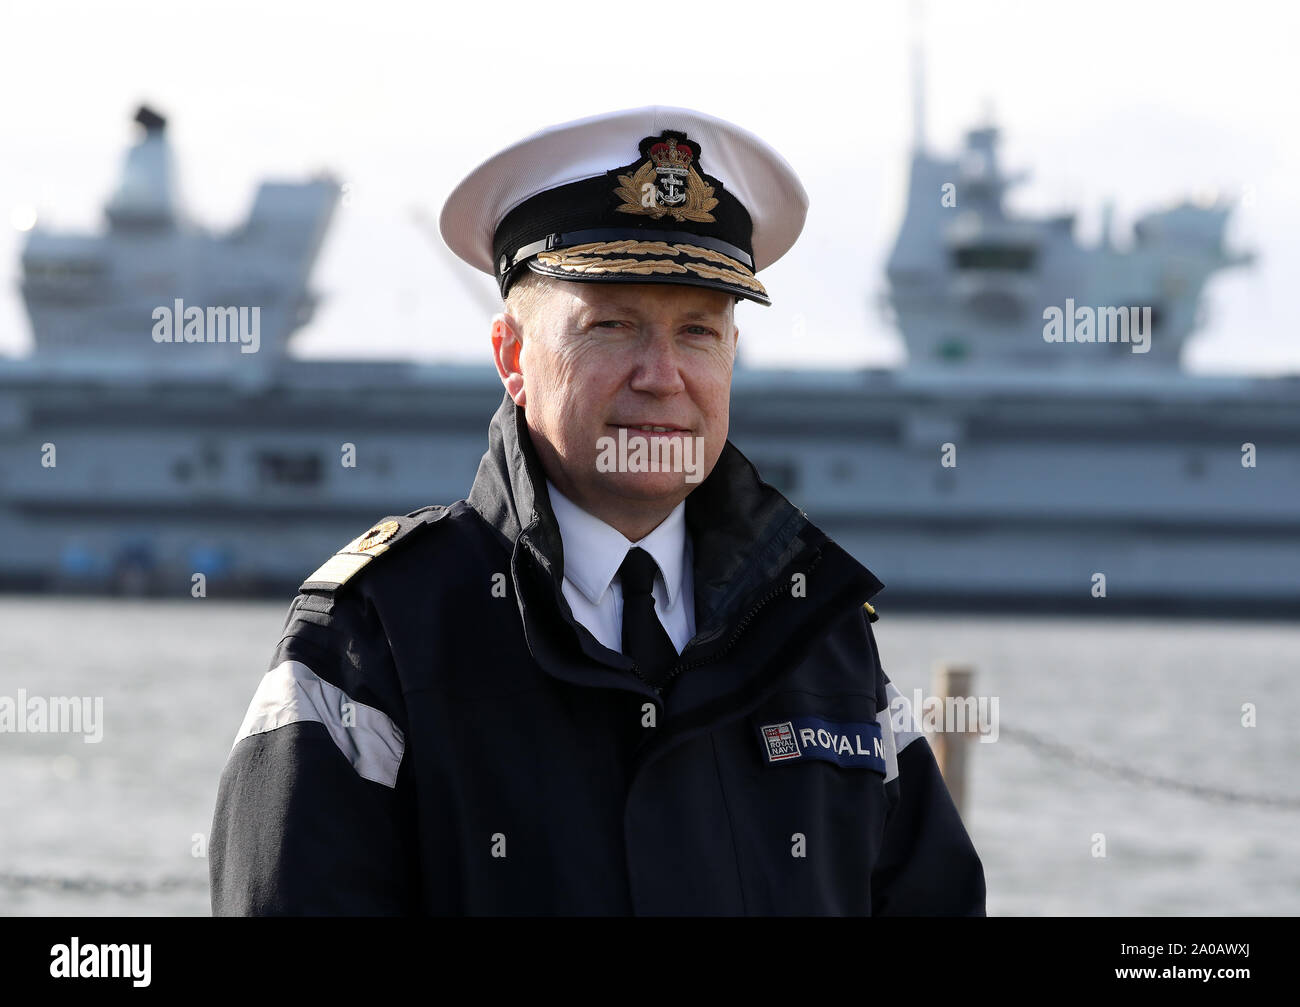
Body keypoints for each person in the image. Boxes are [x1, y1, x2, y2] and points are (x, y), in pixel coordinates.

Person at [209, 106, 986, 915]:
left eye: (699, 332)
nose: (662, 375)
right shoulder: (373, 640)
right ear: (513, 356)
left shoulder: (824, 640)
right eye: (611, 326)